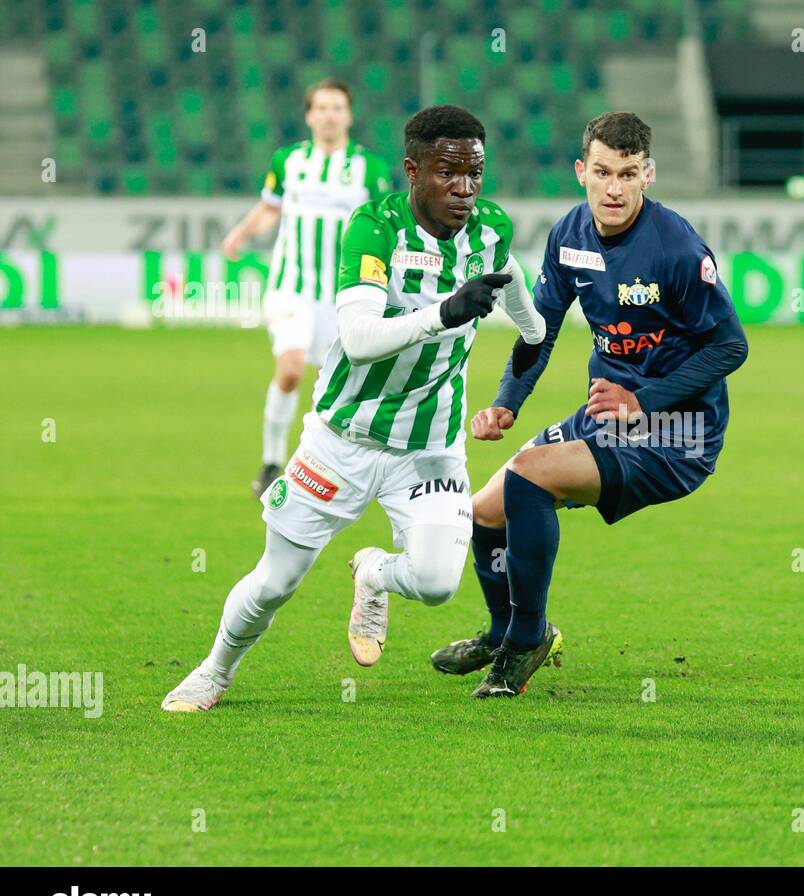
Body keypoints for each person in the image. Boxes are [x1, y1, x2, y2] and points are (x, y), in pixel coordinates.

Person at [162, 106, 545, 712]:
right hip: (342, 438)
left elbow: (522, 303)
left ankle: (372, 572)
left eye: (475, 173)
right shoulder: (374, 228)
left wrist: (530, 335)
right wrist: (445, 313)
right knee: (276, 581)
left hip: (429, 447)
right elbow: (361, 337)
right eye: (449, 173)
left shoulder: (490, 230)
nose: (465, 189)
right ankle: (214, 672)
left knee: (439, 583)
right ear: (413, 171)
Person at [428, 111, 749, 698]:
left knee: (529, 478)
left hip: (678, 433)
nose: (614, 188)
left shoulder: (676, 248)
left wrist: (641, 399)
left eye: (628, 174)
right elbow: (539, 329)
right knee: (483, 512)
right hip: (609, 415)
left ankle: (529, 638)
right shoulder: (569, 237)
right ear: (582, 171)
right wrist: (507, 403)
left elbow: (731, 345)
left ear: (648, 175)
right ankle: (503, 630)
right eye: (602, 172)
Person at [219, 79, 393, 497]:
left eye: (337, 107)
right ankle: (270, 463)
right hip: (290, 287)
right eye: (322, 107)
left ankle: (323, 468)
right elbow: (270, 207)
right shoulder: (289, 160)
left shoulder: (370, 168)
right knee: (291, 370)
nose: (330, 115)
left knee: (331, 385)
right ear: (309, 115)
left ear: (348, 115)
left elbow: (384, 226)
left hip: (343, 295)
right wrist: (242, 234)